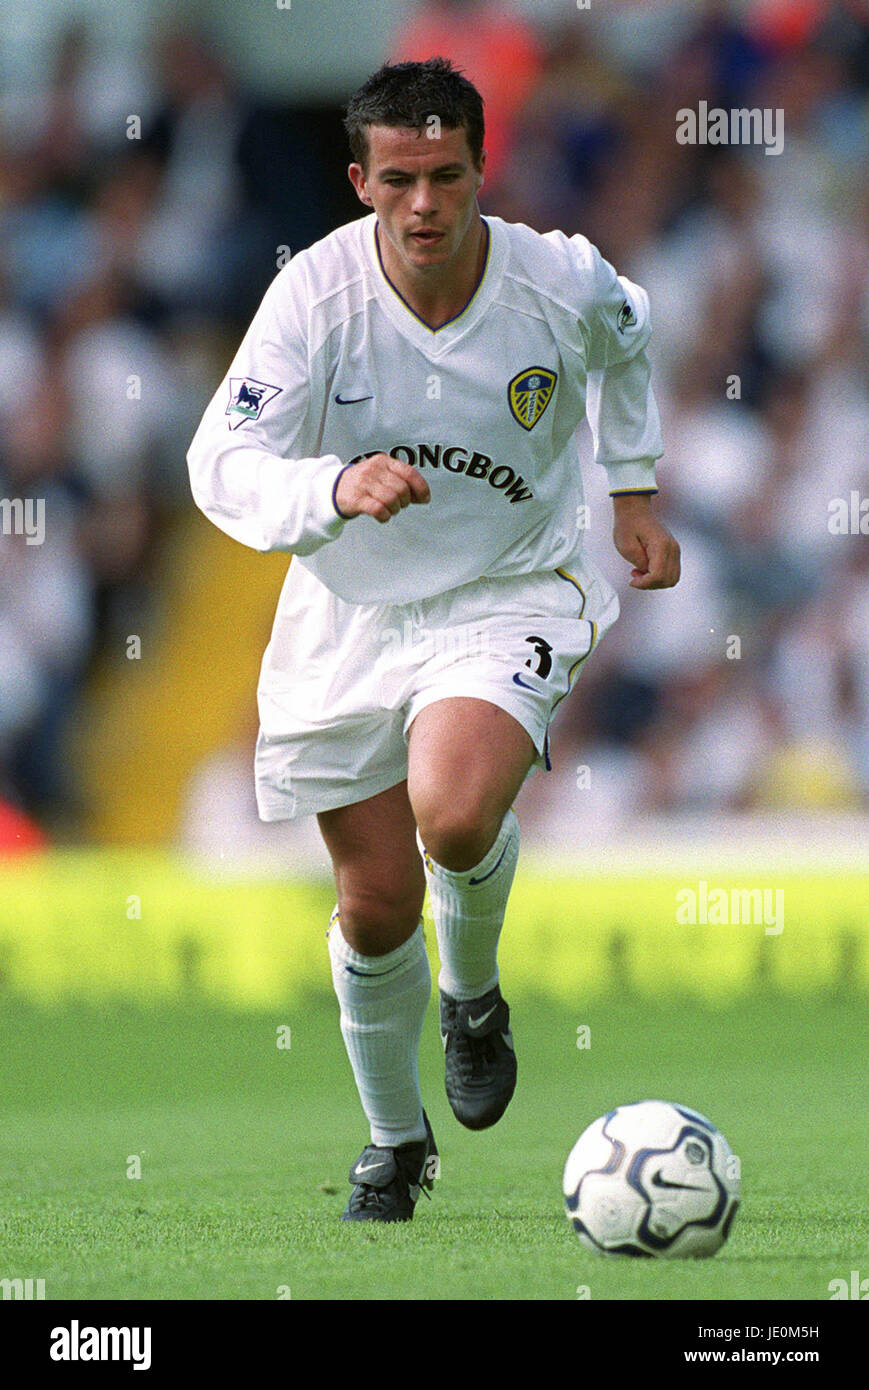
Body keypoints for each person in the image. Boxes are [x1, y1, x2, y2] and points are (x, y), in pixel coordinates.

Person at [187, 58, 680, 1223]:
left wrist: (632, 489)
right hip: (350, 611)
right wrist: (330, 485)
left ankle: (471, 997)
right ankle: (395, 1142)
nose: (424, 204)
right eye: (398, 179)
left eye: (445, 176)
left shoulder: (557, 280)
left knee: (452, 811)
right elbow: (219, 460)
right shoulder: (311, 299)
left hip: (505, 584)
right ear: (360, 181)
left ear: (478, 171)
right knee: (371, 905)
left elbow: (628, 336)